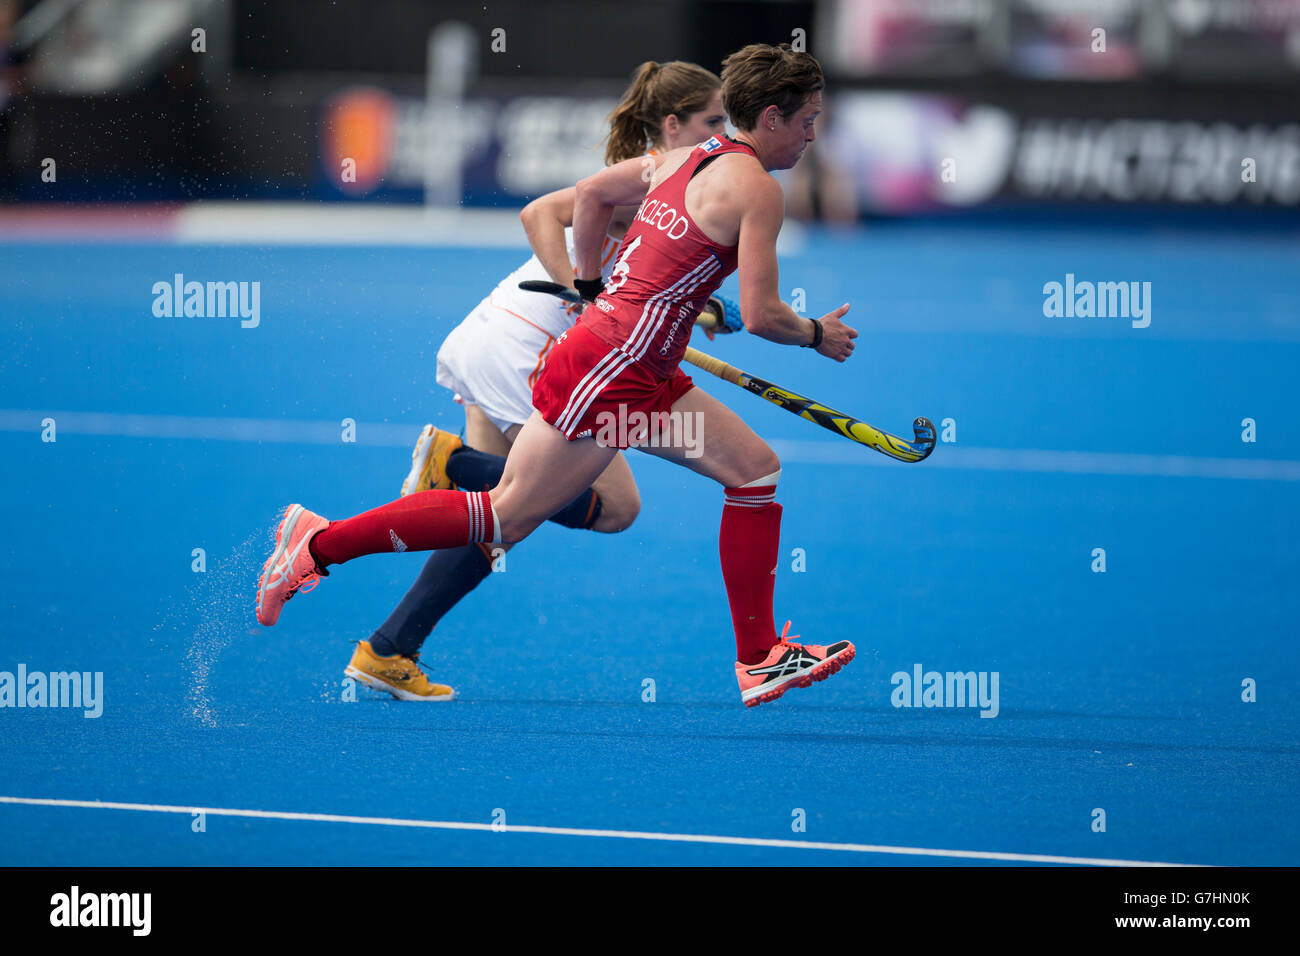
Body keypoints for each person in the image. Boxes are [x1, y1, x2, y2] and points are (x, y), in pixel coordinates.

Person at [257, 43, 859, 708]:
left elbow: (594, 194)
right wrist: (815, 335)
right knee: (504, 515)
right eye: (807, 121)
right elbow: (766, 314)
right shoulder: (759, 190)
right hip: (614, 373)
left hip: (636, 368)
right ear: (771, 118)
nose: (811, 136)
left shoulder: (686, 158)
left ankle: (760, 659)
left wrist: (598, 288)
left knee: (753, 470)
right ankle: (319, 544)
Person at [341, 61, 738, 700]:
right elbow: (537, 215)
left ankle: (389, 649)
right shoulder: (650, 179)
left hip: (502, 335)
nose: (725, 133)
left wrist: (701, 307)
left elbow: (642, 280)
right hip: (529, 353)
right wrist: (584, 293)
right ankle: (455, 461)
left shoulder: (677, 183)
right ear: (673, 126)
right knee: (615, 508)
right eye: (712, 121)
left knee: (498, 521)